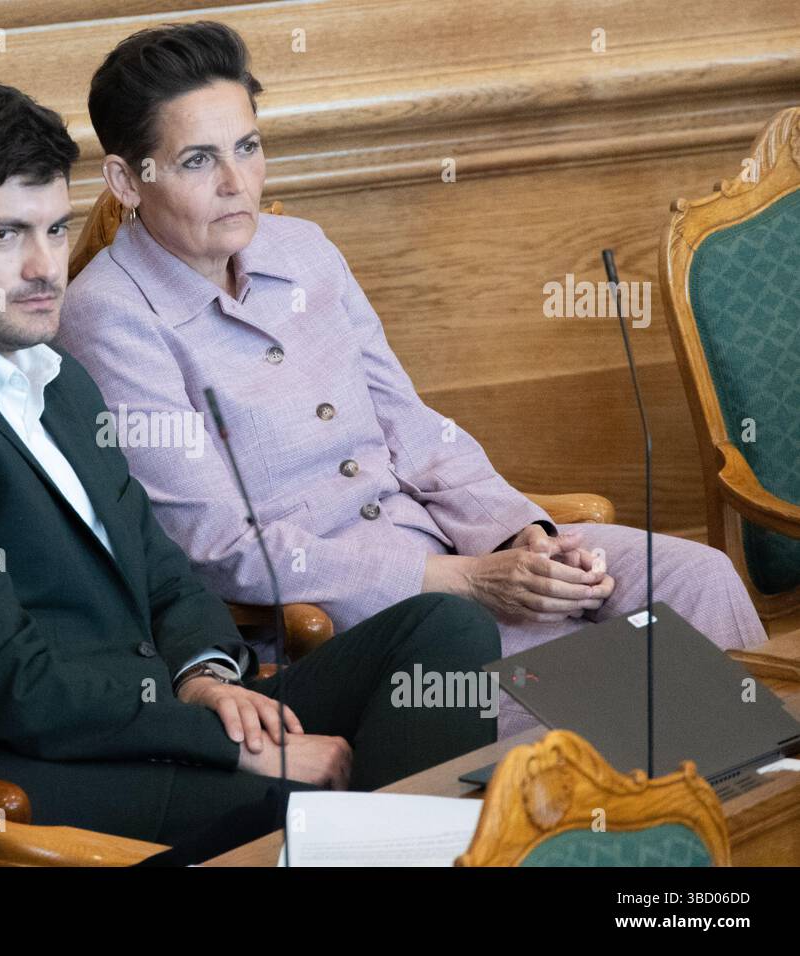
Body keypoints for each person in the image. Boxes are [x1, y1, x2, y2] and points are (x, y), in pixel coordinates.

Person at [0, 73, 502, 848]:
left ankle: (380, 849)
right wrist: (227, 745)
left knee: (442, 631)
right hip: (46, 764)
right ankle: (382, 846)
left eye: (56, 230)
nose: (44, 267)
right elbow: (6, 682)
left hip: (151, 707)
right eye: (6, 235)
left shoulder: (47, 369)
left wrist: (207, 678)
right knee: (317, 806)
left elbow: (159, 564)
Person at [58, 21, 768, 740]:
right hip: (340, 609)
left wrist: (522, 535)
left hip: (449, 547)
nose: (236, 184)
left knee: (697, 579)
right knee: (622, 681)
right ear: (127, 179)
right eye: (198, 160)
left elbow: (416, 429)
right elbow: (219, 548)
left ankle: (748, 809)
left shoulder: (303, 251)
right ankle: (651, 817)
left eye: (248, 147)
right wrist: (467, 581)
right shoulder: (107, 316)